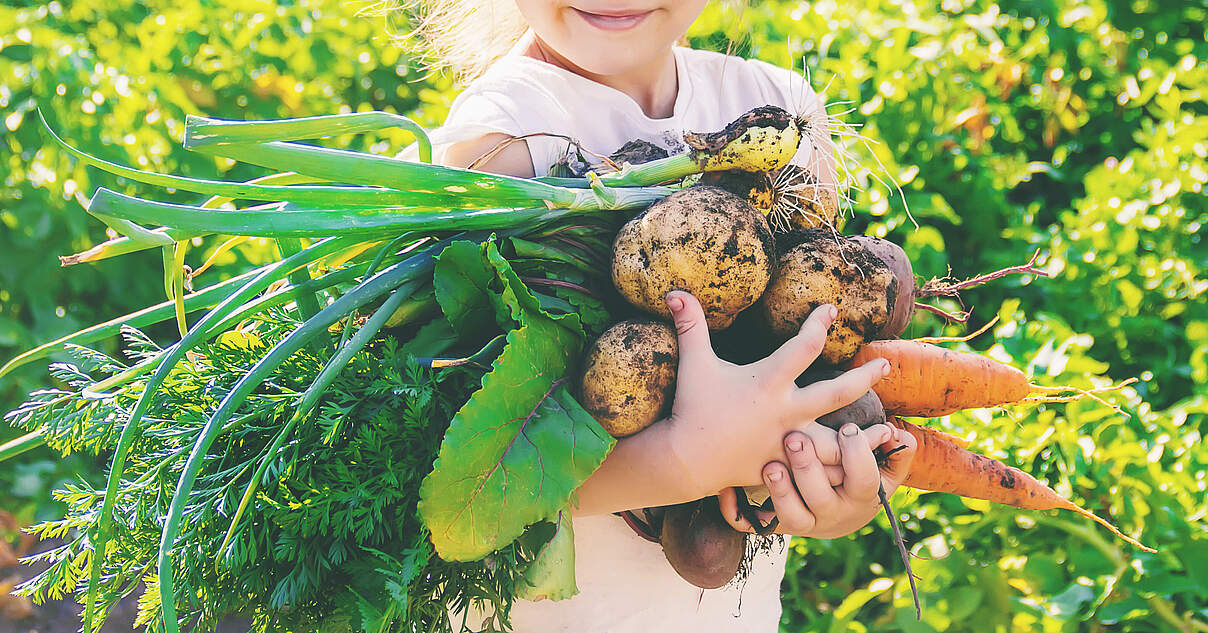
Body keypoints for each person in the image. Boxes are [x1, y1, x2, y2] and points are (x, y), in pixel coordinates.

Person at [405, 2, 918, 630]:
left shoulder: (779, 107)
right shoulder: (500, 141)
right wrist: (684, 460)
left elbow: (811, 347)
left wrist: (829, 485)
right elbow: (466, 481)